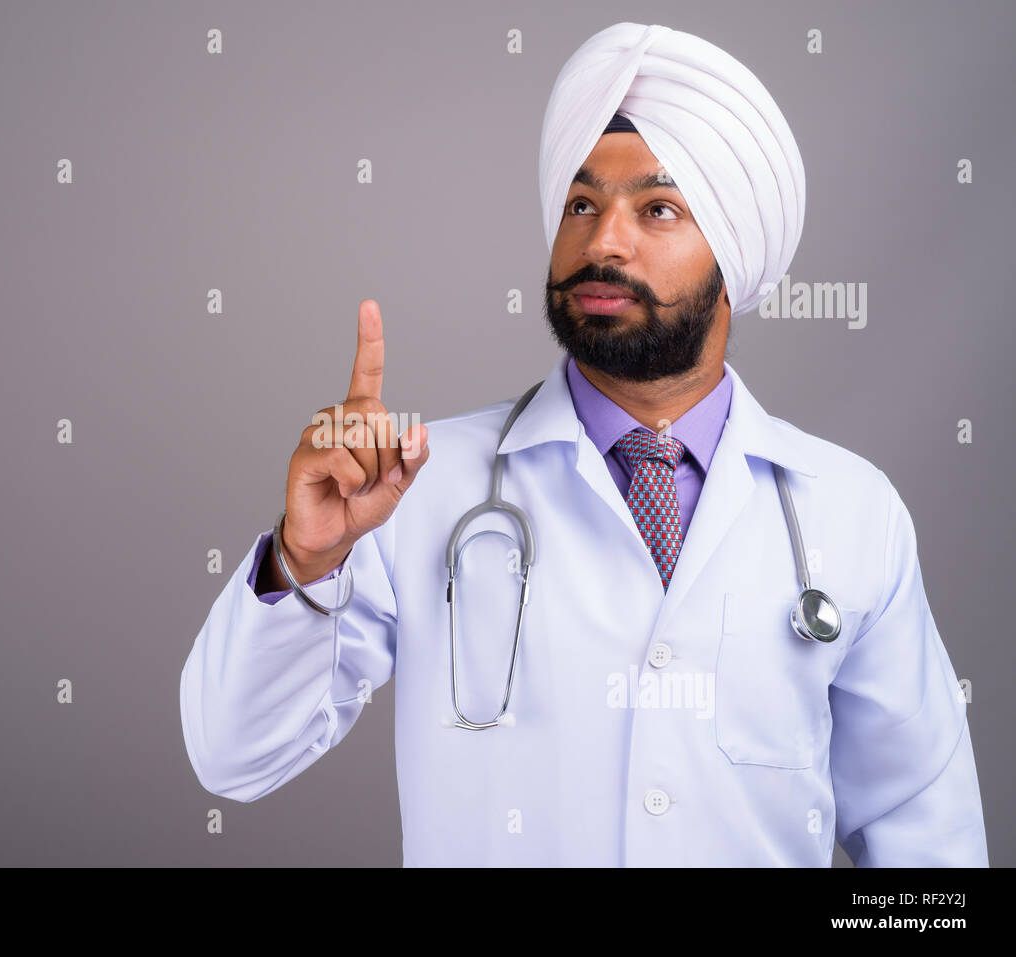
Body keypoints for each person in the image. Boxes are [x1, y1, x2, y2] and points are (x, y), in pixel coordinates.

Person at [179, 21, 988, 866]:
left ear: (734, 257)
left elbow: (927, 846)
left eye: (659, 209)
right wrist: (303, 562)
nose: (603, 241)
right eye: (581, 205)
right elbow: (234, 756)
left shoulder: (850, 511)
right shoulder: (415, 489)